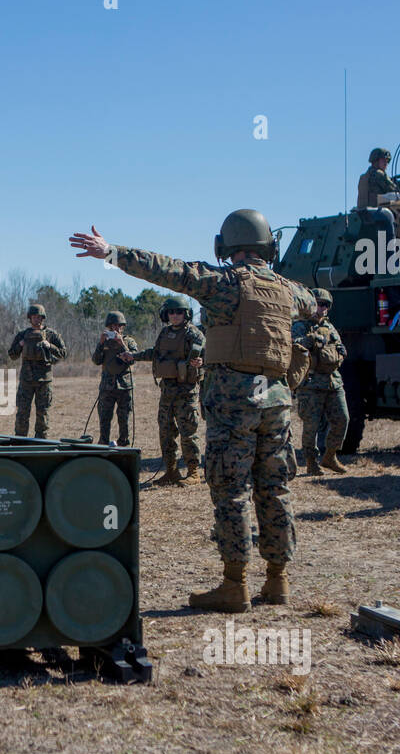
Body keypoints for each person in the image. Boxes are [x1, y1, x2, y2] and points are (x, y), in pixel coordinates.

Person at [70, 210, 316, 612]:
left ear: (224, 247)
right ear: (269, 247)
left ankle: (234, 586)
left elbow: (167, 270)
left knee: (230, 490)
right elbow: (316, 303)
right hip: (277, 402)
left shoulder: (222, 283)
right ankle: (277, 581)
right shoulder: (289, 290)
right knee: (275, 488)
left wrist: (111, 252)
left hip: (234, 402)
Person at [134, 297, 205, 484]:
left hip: (186, 391)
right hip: (167, 391)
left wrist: (201, 363)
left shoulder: (194, 334)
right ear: (166, 314)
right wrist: (132, 356)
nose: (175, 316)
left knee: (188, 432)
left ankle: (193, 472)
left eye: (179, 312)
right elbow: (155, 353)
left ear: (186, 314)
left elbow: (209, 356)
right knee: (165, 431)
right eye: (171, 312)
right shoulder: (164, 333)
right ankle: (171, 471)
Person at [292, 289, 349, 475]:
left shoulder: (330, 327)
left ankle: (330, 456)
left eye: (325, 304)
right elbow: (292, 345)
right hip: (311, 383)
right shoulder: (300, 325)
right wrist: (309, 340)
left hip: (333, 381)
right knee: (311, 425)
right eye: (318, 303)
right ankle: (311, 461)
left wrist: (342, 352)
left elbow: (338, 348)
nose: (321, 308)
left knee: (342, 419)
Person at [8, 303, 66, 439]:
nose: (37, 319)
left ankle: (41, 442)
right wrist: (20, 345)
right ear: (30, 318)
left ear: (43, 318)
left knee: (43, 413)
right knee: (22, 413)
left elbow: (63, 353)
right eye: (34, 317)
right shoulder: (23, 335)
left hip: (44, 381)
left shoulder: (51, 335)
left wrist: (50, 346)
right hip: (26, 380)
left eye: (39, 317)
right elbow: (12, 355)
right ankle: (20, 442)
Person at [91, 310, 141, 445]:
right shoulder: (105, 342)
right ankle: (103, 443)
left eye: (119, 326)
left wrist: (122, 344)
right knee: (104, 417)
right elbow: (96, 360)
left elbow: (133, 359)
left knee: (124, 418)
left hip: (124, 386)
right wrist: (101, 344)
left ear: (123, 326)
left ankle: (124, 443)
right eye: (113, 326)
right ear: (109, 326)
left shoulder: (129, 341)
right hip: (107, 386)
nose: (116, 328)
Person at [357, 147, 398, 243]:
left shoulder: (364, 176)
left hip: (364, 215)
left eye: (387, 161)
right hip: (379, 216)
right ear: (375, 161)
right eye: (383, 160)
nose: (386, 164)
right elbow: (393, 189)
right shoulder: (379, 174)